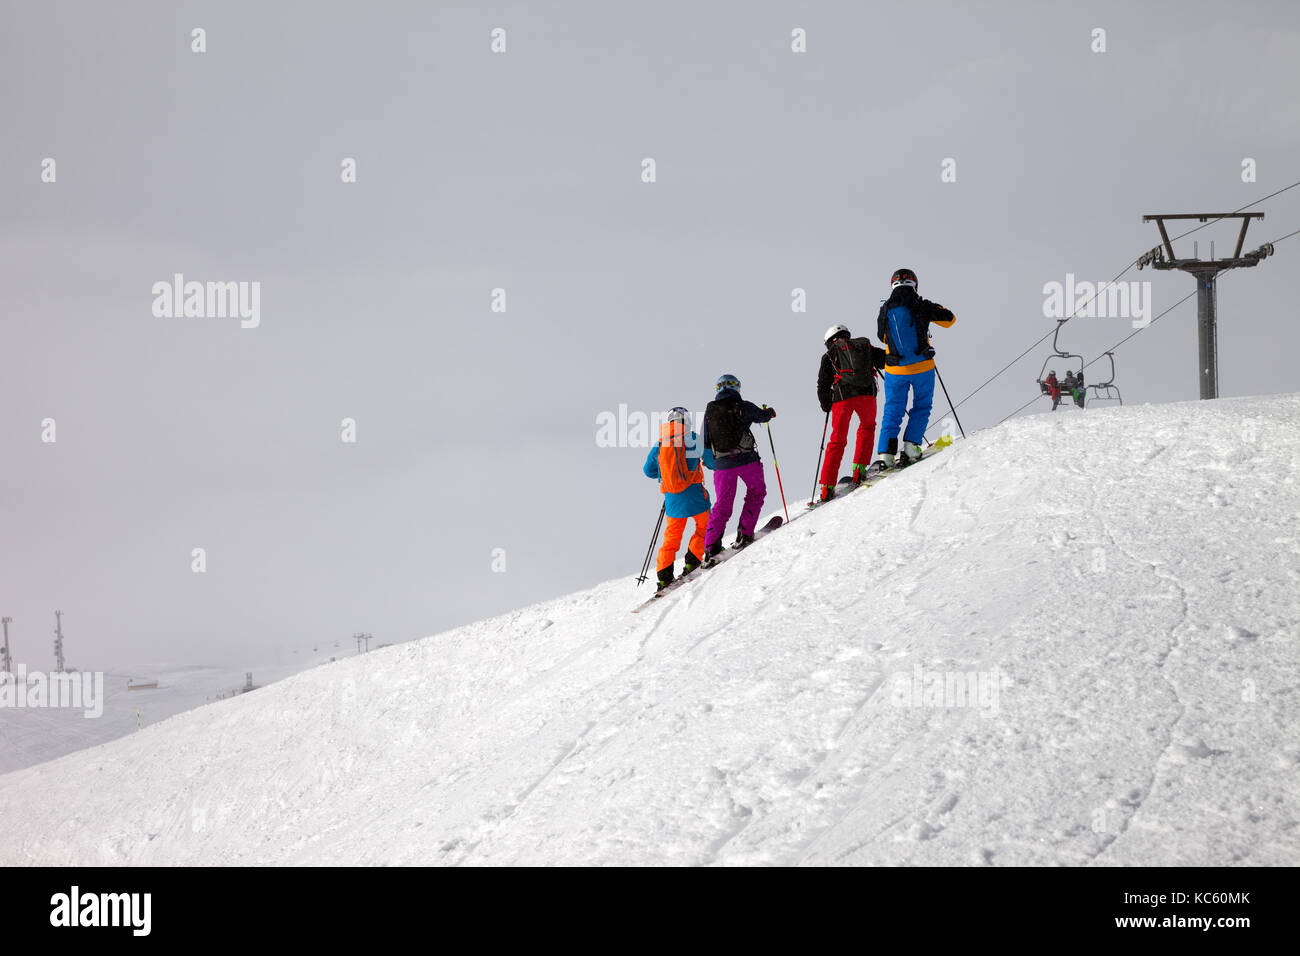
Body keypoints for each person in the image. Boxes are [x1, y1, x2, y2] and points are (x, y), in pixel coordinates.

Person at [875, 268, 956, 467]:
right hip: (922, 366)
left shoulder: (885, 309)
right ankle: (911, 447)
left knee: (893, 409)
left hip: (895, 369)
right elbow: (950, 319)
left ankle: (886, 454)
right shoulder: (921, 304)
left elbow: (882, 336)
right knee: (922, 405)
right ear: (914, 284)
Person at [700, 374, 776, 557]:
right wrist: (770, 412)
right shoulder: (743, 406)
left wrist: (715, 465)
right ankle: (745, 532)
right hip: (746, 460)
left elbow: (705, 442)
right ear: (736, 388)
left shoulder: (710, 411)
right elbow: (762, 416)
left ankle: (711, 547)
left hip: (722, 466)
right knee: (756, 492)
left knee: (722, 505)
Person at [643, 407, 714, 590]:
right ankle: (693, 561)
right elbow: (711, 461)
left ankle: (665, 576)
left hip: (672, 500)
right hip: (696, 496)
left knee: (671, 538)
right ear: (686, 421)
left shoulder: (661, 443)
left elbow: (648, 471)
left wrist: (667, 474)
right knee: (705, 526)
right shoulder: (693, 439)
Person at [816, 324, 887, 502]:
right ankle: (859, 470)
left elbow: (823, 384)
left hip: (842, 398)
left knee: (837, 441)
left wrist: (826, 405)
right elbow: (886, 361)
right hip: (867, 394)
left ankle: (827, 487)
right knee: (867, 428)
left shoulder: (829, 354)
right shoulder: (864, 346)